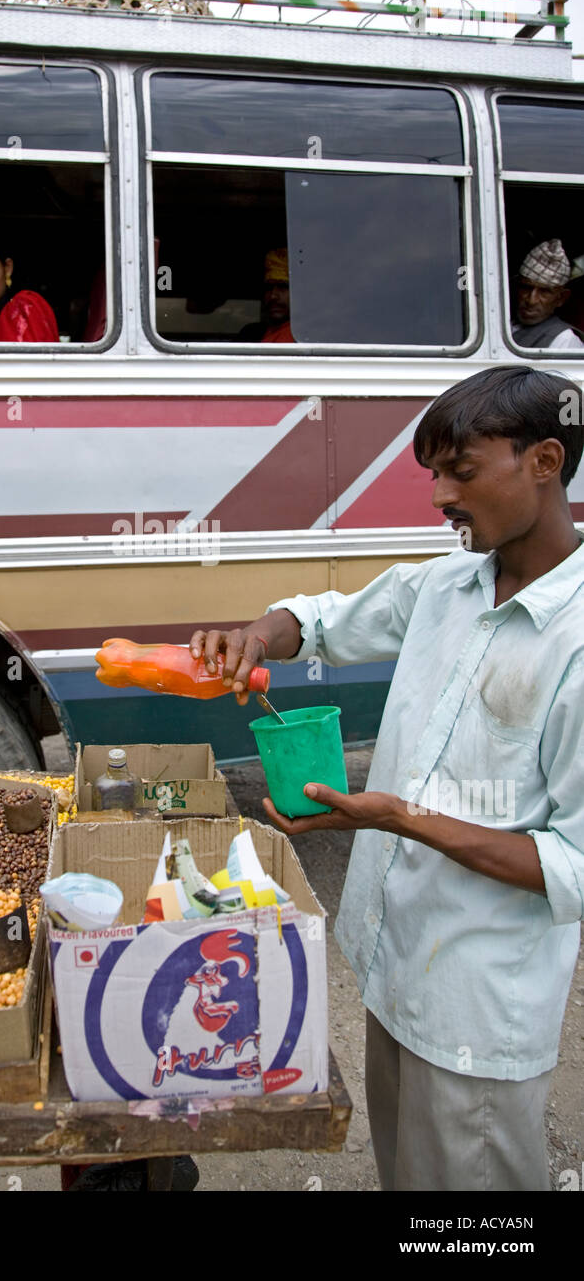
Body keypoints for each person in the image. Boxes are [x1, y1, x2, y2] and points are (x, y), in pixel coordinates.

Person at [189, 365, 584, 1191]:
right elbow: (321, 620)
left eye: (461, 471)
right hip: (395, 968)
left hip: (477, 1007)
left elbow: (571, 867)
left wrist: (397, 818)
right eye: (432, 473)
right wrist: (259, 635)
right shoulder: (446, 584)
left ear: (544, 461)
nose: (438, 494)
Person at [511, 239, 584, 352]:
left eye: (544, 292)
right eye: (526, 288)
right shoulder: (504, 321)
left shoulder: (565, 340)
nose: (532, 300)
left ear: (561, 298)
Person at [240, 248, 295, 344]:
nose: (273, 296)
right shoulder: (251, 334)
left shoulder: (310, 337)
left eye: (283, 286)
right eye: (269, 288)